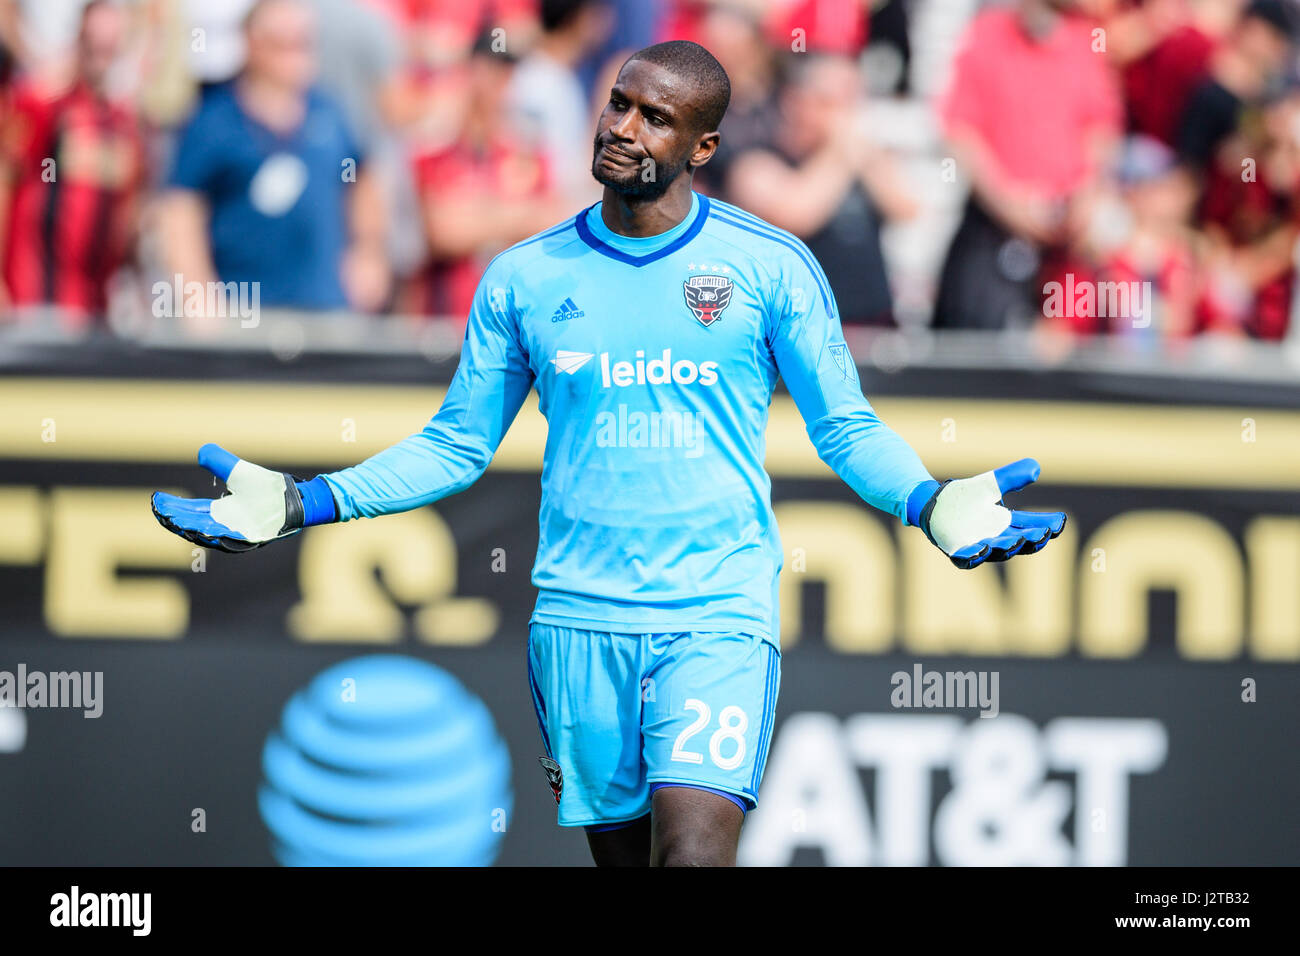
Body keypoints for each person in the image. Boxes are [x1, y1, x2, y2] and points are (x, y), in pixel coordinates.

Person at [150, 40, 1067, 867]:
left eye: (654, 118)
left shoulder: (772, 268)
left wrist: (925, 500)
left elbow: (845, 427)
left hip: (717, 614)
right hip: (579, 623)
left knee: (697, 857)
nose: (623, 128)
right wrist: (306, 502)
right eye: (619, 103)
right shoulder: (527, 276)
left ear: (701, 148)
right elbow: (457, 444)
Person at [158, 0, 388, 328]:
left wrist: (368, 251)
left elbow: (362, 178)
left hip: (324, 308)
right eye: (285, 44)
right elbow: (180, 209)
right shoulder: (214, 121)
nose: (297, 56)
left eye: (304, 43)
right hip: (245, 312)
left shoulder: (329, 113)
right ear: (252, 44)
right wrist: (197, 294)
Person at [0, 0, 144, 327]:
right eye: (93, 42)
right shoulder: (42, 103)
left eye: (109, 46)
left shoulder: (124, 123)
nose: (101, 54)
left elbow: (127, 216)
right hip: (36, 297)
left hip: (94, 308)